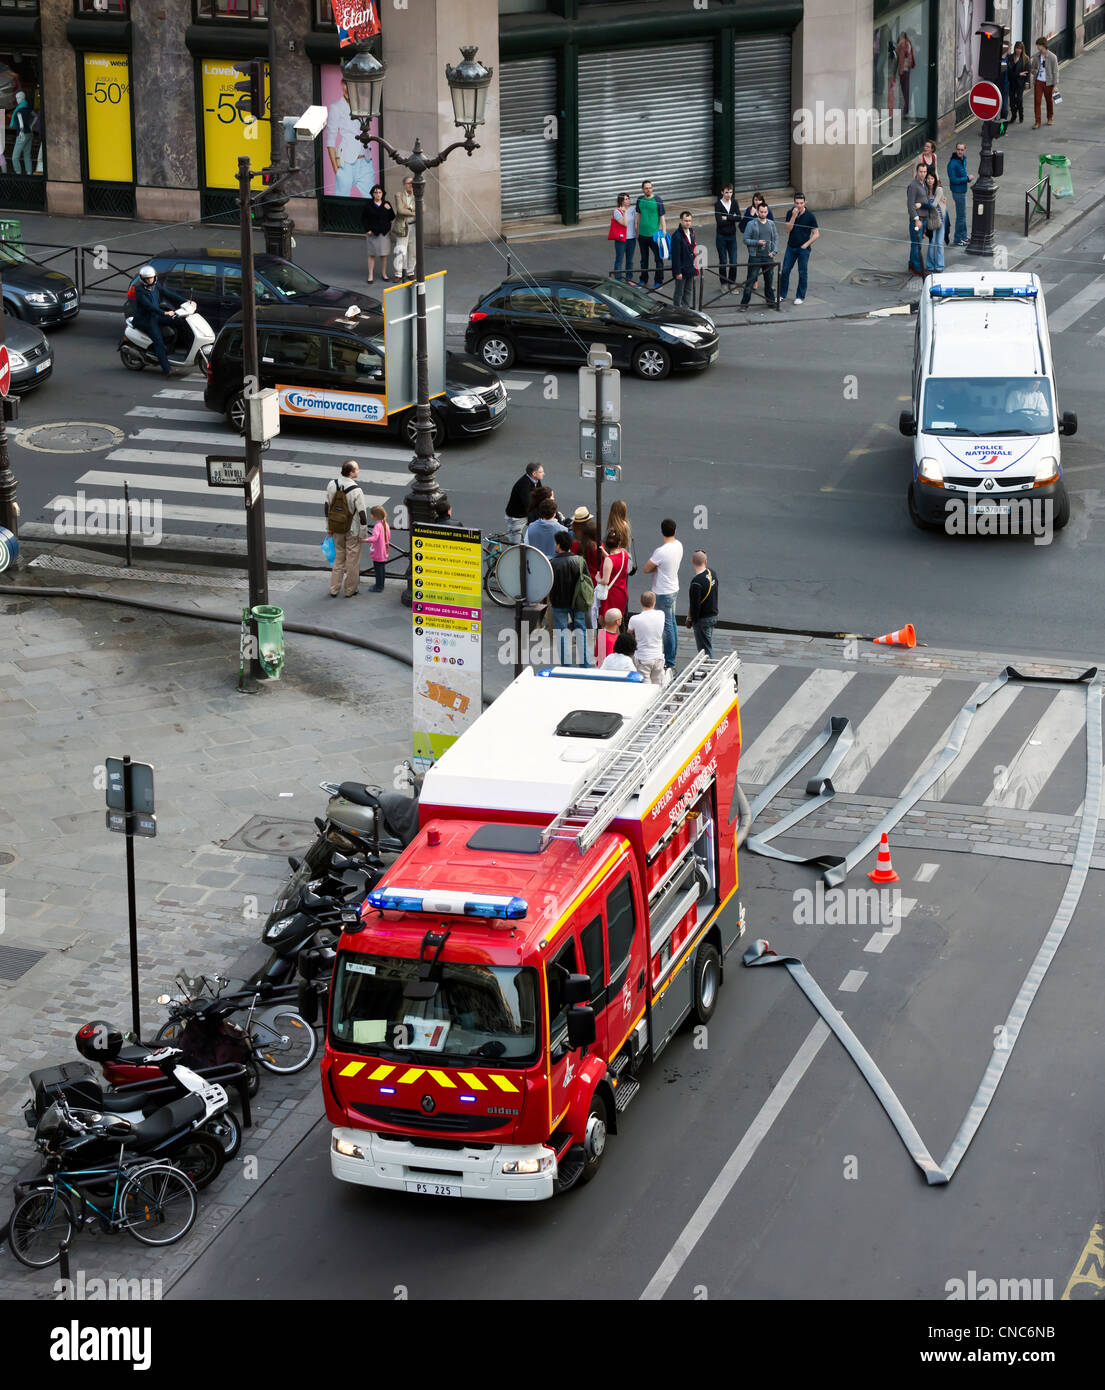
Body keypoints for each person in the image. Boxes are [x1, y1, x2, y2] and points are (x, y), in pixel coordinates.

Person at [643, 517, 683, 673]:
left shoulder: (660, 552)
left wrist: (656, 568)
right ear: (675, 531)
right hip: (674, 588)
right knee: (672, 624)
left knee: (667, 627)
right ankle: (672, 655)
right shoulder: (678, 545)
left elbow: (647, 568)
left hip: (662, 591)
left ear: (661, 531)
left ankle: (670, 660)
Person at [326, 79, 375, 198]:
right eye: (344, 84)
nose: (346, 88)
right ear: (341, 84)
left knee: (372, 200)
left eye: (350, 85)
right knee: (341, 201)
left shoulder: (364, 106)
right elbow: (330, 141)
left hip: (366, 161)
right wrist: (337, 171)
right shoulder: (336, 107)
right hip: (346, 162)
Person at [325, 461, 368, 598]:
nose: (359, 471)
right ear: (351, 472)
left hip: (337, 528)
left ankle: (334, 588)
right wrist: (363, 534)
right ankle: (350, 589)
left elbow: (327, 507)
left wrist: (329, 527)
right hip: (352, 530)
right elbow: (362, 514)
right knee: (352, 561)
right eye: (357, 469)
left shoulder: (332, 484)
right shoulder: (357, 490)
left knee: (338, 558)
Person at [132, 265, 185, 376]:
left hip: (155, 316)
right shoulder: (139, 290)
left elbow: (168, 293)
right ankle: (167, 370)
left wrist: (186, 301)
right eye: (147, 278)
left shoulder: (156, 286)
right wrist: (164, 313)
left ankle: (176, 347)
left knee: (179, 321)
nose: (149, 280)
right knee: (158, 342)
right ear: (142, 279)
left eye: (151, 277)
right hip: (146, 319)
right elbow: (149, 306)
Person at [549, 531, 591, 667]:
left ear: (559, 545)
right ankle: (584, 664)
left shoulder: (552, 563)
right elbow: (587, 580)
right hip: (578, 601)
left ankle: (567, 666)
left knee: (562, 635)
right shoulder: (579, 560)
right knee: (581, 631)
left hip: (558, 603)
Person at [778, 193, 819, 306]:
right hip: (791, 247)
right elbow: (787, 230)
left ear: (804, 203)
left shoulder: (810, 216)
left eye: (801, 203)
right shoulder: (790, 213)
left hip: (803, 249)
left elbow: (816, 234)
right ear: (794, 203)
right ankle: (782, 294)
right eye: (797, 203)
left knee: (802, 272)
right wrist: (793, 216)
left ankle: (800, 296)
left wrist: (806, 244)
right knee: (785, 270)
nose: (799, 205)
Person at [740, 202, 778, 308]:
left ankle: (770, 302)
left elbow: (775, 238)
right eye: (761, 212)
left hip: (768, 256)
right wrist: (757, 242)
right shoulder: (751, 224)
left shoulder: (771, 223)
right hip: (755, 256)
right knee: (750, 280)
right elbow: (745, 239)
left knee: (769, 280)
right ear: (757, 212)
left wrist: (774, 251)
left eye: (765, 212)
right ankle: (744, 304)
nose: (763, 214)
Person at [686, 550, 719, 657]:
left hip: (703, 619)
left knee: (704, 650)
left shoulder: (696, 582)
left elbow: (695, 605)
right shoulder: (712, 573)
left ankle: (709, 670)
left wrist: (692, 620)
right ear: (705, 561)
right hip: (713, 614)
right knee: (708, 643)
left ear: (692, 561)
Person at [629, 592, 666, 685]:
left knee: (645, 687)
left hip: (642, 658)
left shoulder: (634, 619)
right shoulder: (661, 614)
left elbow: (629, 634)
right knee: (658, 685)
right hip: (658, 656)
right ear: (654, 602)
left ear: (641, 602)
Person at [635, 180, 667, 288]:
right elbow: (638, 215)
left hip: (655, 236)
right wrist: (637, 230)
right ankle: (643, 280)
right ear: (643, 189)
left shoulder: (657, 200)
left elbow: (662, 216)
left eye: (650, 187)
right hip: (642, 235)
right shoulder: (640, 199)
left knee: (658, 259)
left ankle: (659, 281)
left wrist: (664, 231)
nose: (648, 189)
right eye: (646, 188)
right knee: (644, 260)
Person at [361, 185, 394, 283]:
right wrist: (367, 229)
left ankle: (384, 274)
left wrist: (389, 209)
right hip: (372, 232)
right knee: (371, 254)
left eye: (380, 192)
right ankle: (370, 275)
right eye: (376, 193)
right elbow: (363, 219)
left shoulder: (386, 204)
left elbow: (392, 217)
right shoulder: (368, 205)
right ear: (372, 194)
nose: (378, 194)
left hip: (383, 233)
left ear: (382, 193)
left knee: (383, 255)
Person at [599, 527, 630, 629]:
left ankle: (604, 644)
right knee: (616, 623)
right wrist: (607, 555)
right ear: (619, 542)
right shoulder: (624, 553)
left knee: (604, 622)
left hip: (610, 595)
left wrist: (598, 578)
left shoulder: (608, 560)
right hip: (621, 593)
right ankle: (617, 643)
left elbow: (605, 581)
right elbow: (615, 563)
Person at [505, 461, 543, 542]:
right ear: (534, 474)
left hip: (524, 513)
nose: (544, 473)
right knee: (515, 545)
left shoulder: (536, 480)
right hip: (516, 517)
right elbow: (528, 505)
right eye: (541, 472)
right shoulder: (524, 485)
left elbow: (540, 495)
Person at [669, 210, 699, 309]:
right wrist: (678, 272)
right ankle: (676, 310)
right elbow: (676, 256)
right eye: (686, 220)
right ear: (681, 221)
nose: (688, 223)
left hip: (690, 267)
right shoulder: (676, 236)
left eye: (689, 220)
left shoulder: (691, 232)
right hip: (681, 269)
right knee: (679, 292)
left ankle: (686, 309)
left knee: (688, 290)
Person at [714, 183, 740, 292]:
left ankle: (732, 283)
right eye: (726, 192)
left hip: (732, 236)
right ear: (722, 192)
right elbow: (719, 221)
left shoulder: (734, 203)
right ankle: (724, 283)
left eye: (730, 192)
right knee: (723, 261)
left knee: (733, 261)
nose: (729, 194)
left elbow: (739, 217)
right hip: (721, 236)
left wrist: (727, 218)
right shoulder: (718, 204)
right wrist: (731, 217)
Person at [946, 142, 972, 247]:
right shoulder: (952, 164)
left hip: (962, 190)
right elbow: (953, 179)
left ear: (965, 150)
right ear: (956, 150)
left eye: (962, 150)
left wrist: (966, 179)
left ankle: (964, 236)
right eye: (958, 149)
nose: (960, 151)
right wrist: (967, 179)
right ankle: (958, 238)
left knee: (963, 215)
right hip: (958, 192)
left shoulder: (963, 160)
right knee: (961, 217)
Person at [390, 176, 416, 279]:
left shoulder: (417, 195)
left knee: (413, 251)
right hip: (403, 225)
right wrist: (413, 211)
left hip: (414, 226)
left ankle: (410, 272)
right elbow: (400, 210)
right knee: (400, 249)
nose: (411, 185)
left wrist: (409, 208)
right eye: (409, 183)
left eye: (413, 183)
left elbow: (422, 209)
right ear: (404, 185)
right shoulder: (399, 195)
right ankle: (398, 273)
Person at [920, 172, 947, 273]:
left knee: (939, 243)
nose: (930, 180)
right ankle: (930, 265)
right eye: (928, 179)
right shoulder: (924, 190)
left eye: (932, 178)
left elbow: (933, 204)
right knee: (931, 243)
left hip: (940, 220)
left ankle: (940, 266)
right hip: (929, 221)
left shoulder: (939, 189)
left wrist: (922, 204)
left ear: (935, 180)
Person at [906, 161, 928, 276]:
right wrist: (917, 219)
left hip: (924, 218)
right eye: (921, 172)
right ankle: (917, 268)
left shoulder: (923, 184)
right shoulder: (913, 185)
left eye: (924, 172)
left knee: (915, 243)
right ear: (917, 172)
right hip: (917, 220)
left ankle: (911, 264)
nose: (923, 174)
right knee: (916, 244)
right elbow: (910, 205)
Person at [609, 192, 636, 282]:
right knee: (619, 260)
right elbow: (624, 223)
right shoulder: (617, 211)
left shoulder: (633, 209)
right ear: (621, 200)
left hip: (631, 238)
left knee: (630, 260)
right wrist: (624, 212)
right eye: (625, 199)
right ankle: (618, 280)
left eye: (628, 198)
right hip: (621, 240)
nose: (628, 200)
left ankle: (629, 279)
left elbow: (636, 221)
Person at [1032, 37, 1058, 128]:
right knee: (1037, 102)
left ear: (1043, 45)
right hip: (1038, 81)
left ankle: (1050, 117)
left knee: (1049, 101)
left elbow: (1055, 72)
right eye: (1037, 46)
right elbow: (1033, 68)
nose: (1038, 48)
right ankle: (1037, 121)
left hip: (1048, 82)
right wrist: (1033, 71)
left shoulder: (1052, 57)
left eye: (1039, 46)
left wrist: (1055, 85)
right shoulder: (1036, 56)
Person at [9, 90, 33, 176]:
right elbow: (36, 116)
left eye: (18, 97)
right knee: (27, 155)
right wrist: (31, 126)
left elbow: (21, 122)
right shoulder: (27, 108)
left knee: (14, 157)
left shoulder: (19, 110)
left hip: (22, 134)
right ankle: (29, 173)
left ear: (23, 97)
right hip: (29, 133)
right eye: (16, 98)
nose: (17, 99)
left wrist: (21, 132)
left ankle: (18, 173)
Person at [367, 504, 391, 592]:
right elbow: (388, 535)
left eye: (372, 514)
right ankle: (381, 585)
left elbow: (374, 538)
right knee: (382, 569)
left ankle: (378, 586)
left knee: (378, 570)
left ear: (376, 516)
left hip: (378, 551)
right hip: (384, 550)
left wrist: (364, 540)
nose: (371, 516)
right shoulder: (385, 524)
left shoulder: (377, 526)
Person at [1009, 41, 1030, 125]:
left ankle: (1021, 114)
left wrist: (1027, 83)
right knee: (1011, 101)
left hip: (1020, 83)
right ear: (1014, 48)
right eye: (1017, 48)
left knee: (1019, 100)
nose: (1018, 50)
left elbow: (1027, 72)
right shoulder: (1010, 57)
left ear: (1022, 49)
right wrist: (1018, 74)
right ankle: (1014, 115)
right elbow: (1009, 72)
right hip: (1011, 82)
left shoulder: (1025, 59)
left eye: (1020, 48)